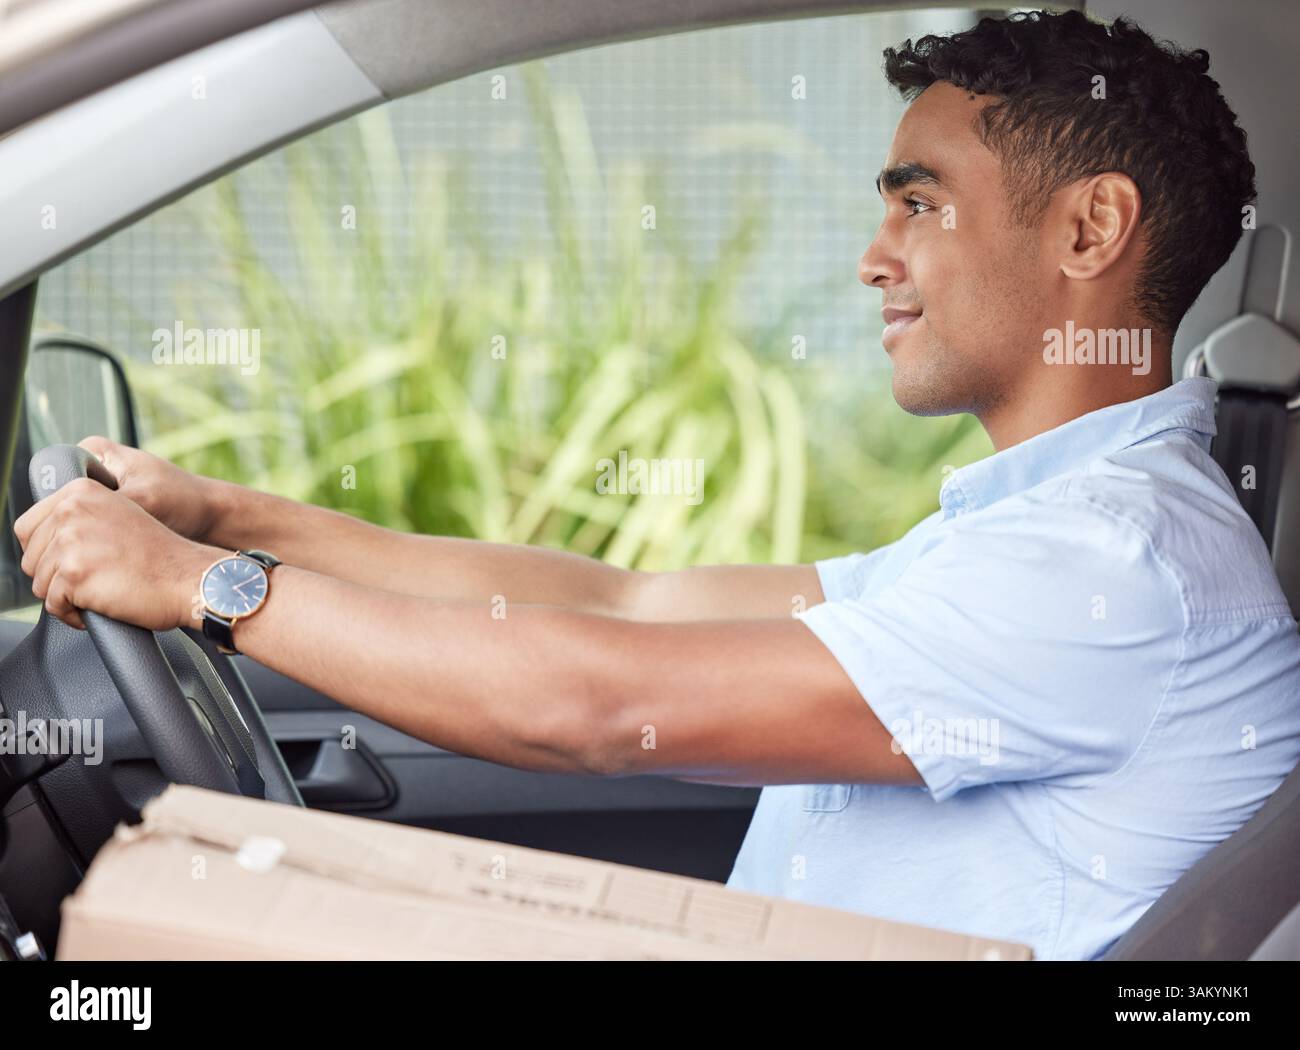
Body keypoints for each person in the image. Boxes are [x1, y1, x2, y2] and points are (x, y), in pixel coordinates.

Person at [15, 9, 1300, 960]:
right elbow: (632, 607)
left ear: (1088, 229)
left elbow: (594, 700)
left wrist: (206, 588)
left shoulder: (1109, 564)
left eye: (919, 203)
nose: (873, 256)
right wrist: (235, 519)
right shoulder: (1045, 530)